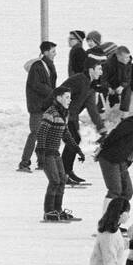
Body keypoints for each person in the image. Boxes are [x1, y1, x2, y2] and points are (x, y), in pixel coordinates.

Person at [37, 87, 83, 222]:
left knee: (62, 180)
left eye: (70, 97)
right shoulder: (50, 113)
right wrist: (40, 154)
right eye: (67, 97)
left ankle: (57, 209)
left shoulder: (62, 114)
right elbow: (41, 133)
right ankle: (48, 212)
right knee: (54, 181)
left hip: (55, 153)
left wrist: (77, 149)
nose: (70, 100)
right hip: (46, 153)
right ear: (58, 98)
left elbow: (66, 134)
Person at [18, 40, 57, 172]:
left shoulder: (47, 65)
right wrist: (53, 93)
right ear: (45, 52)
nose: (55, 54)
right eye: (53, 51)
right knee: (35, 133)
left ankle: (41, 162)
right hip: (37, 106)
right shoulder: (38, 66)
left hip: (44, 105)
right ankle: (24, 163)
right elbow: (37, 85)